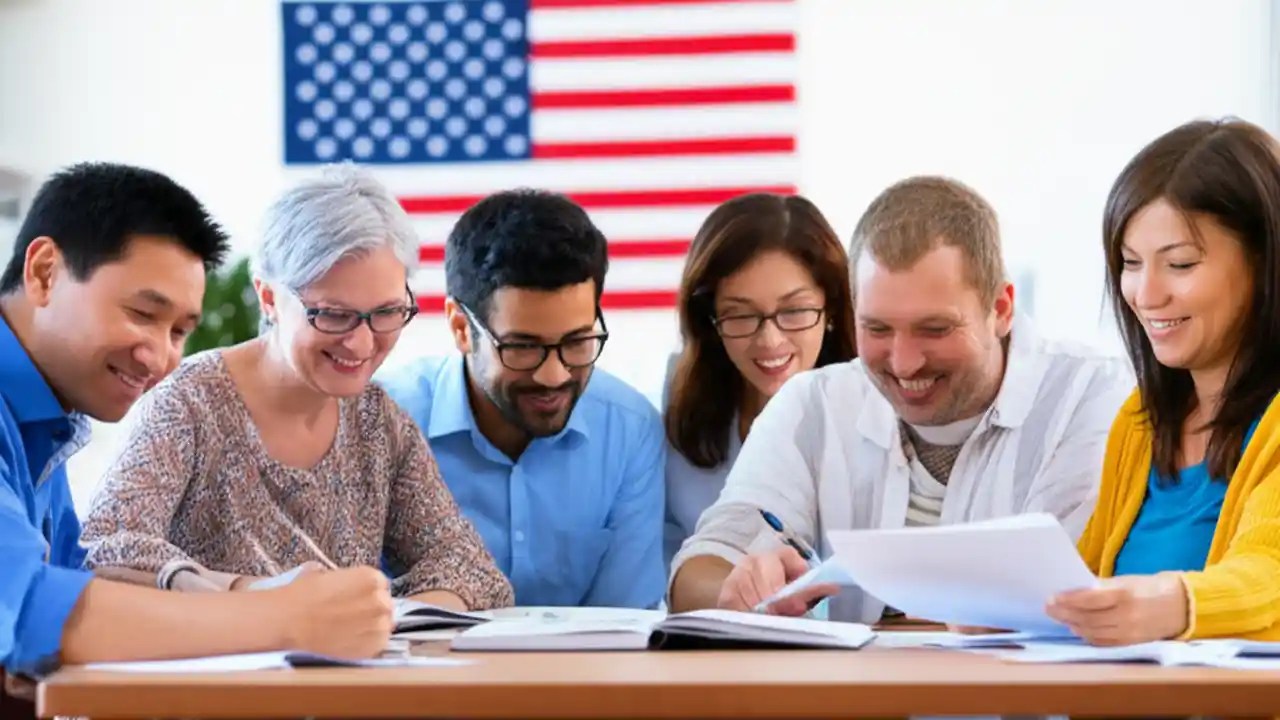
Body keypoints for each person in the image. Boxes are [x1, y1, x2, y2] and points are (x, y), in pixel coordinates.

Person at [668, 176, 1133, 620]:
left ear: (1001, 309)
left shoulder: (1089, 398)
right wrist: (739, 589)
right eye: (878, 329)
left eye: (935, 329)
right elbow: (700, 568)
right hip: (852, 702)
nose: (904, 362)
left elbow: (1072, 586)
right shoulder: (812, 404)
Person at [0, 162, 394, 683]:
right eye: (143, 314)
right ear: (45, 271)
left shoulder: (45, 422)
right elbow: (26, 611)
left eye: (181, 331)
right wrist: (286, 618)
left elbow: (77, 579)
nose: (160, 357)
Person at [79, 165, 512, 611]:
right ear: (268, 296)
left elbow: (472, 568)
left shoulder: (380, 423)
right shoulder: (189, 403)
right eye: (333, 315)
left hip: (341, 676)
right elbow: (107, 549)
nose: (362, 343)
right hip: (213, 674)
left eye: (386, 312)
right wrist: (253, 596)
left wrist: (398, 615)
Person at [1048, 118, 1280, 645]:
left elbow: (1270, 574)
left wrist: (1175, 603)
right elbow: (1089, 581)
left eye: (1180, 264)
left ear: (1265, 263)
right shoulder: (1141, 421)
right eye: (1130, 263)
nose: (1146, 294)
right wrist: (1018, 608)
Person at [377, 189, 665, 609]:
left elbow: (624, 626)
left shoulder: (631, 430)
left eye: (577, 341)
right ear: (460, 328)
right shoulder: (383, 420)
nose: (554, 375)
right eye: (522, 348)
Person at [663, 193, 856, 565]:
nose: (770, 341)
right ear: (710, 321)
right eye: (740, 315)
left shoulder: (875, 408)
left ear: (830, 307)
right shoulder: (680, 398)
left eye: (794, 310)